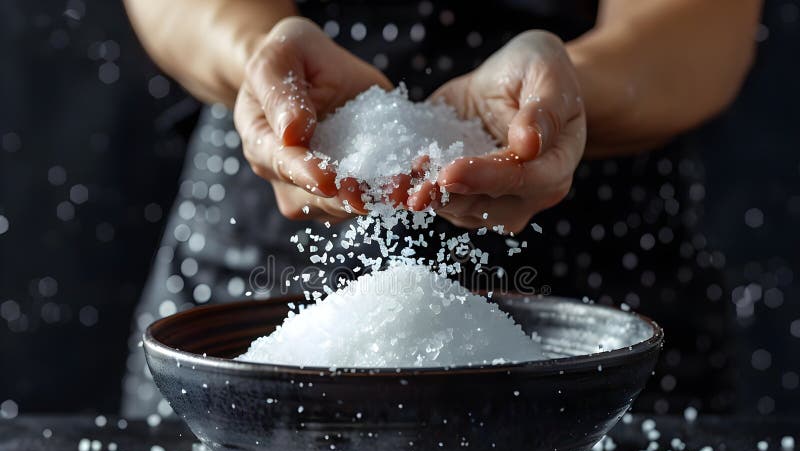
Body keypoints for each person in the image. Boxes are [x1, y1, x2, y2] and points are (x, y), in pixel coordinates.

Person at [121, 0, 761, 418]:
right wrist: (255, 51)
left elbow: (704, 31)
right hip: (255, 262)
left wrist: (572, 82)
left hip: (604, 294)